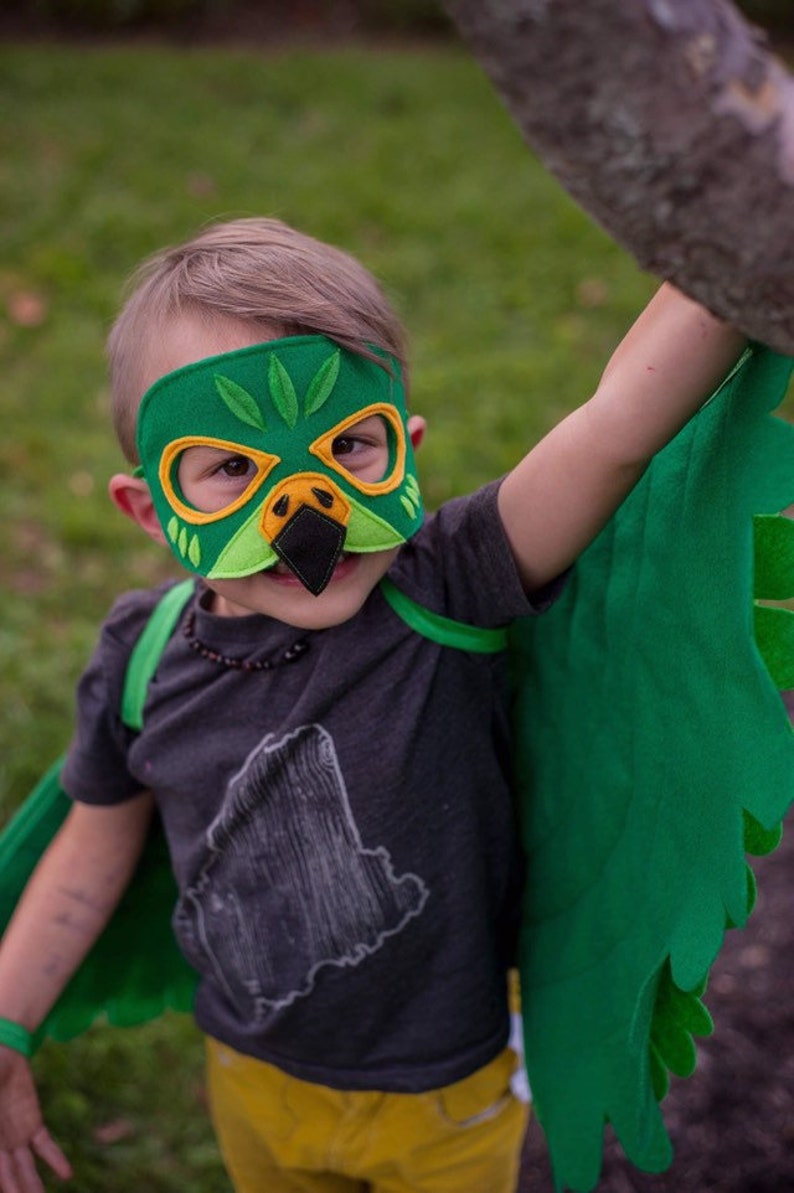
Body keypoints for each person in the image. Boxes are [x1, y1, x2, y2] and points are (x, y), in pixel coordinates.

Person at [0, 217, 745, 1193]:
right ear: (148, 509)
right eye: (231, 465)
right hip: (252, 1073)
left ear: (406, 445)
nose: (306, 510)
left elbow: (612, 429)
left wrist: (744, 238)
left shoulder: (444, 584)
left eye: (347, 443)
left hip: (445, 1091)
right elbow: (93, 845)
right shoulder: (142, 660)